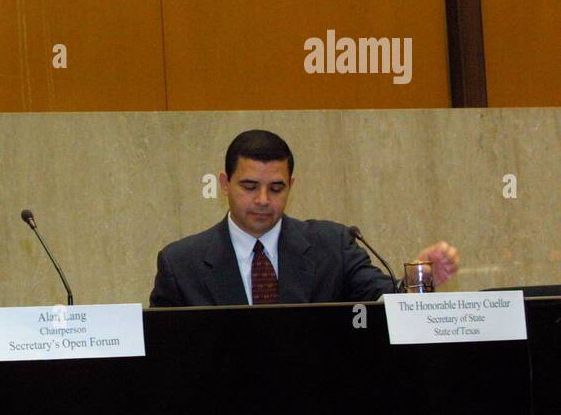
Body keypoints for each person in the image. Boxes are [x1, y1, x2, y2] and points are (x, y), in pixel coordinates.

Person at [149, 130, 460, 307]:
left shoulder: (332, 246)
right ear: (224, 183)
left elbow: (382, 301)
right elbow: (165, 356)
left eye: (275, 188)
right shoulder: (181, 264)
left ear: (291, 186)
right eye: (249, 186)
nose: (262, 200)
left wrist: (416, 281)